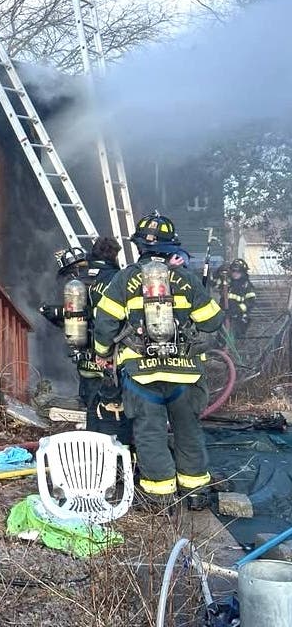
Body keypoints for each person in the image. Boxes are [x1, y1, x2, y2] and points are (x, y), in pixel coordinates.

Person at [94, 211, 224, 510]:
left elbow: (105, 324)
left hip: (142, 375)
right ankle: (195, 493)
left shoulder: (124, 278)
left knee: (150, 433)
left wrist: (102, 354)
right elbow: (213, 321)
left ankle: (160, 496)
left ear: (139, 246)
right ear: (171, 247)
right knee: (187, 430)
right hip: (186, 376)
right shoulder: (185, 279)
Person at [40, 238, 131, 445]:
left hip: (85, 357)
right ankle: (121, 454)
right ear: (115, 255)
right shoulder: (119, 279)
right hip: (113, 357)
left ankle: (94, 454)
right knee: (119, 409)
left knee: (92, 407)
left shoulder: (77, 281)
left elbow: (69, 316)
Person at [220, 258, 256, 338]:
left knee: (235, 341)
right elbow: (214, 284)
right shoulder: (228, 284)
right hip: (225, 317)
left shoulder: (247, 286)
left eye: (238, 272)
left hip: (240, 319)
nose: (235, 274)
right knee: (221, 340)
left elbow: (250, 303)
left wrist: (237, 310)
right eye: (233, 271)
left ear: (243, 272)